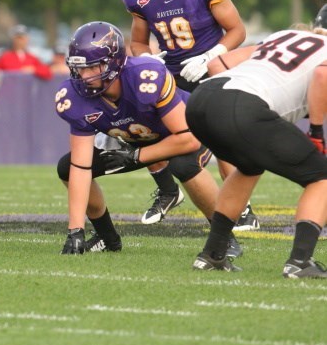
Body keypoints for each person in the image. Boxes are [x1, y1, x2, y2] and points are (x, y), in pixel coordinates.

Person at [53, 21, 241, 258]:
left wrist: (136, 156)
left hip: (190, 128)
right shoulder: (73, 96)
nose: (85, 76)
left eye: (93, 67)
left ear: (113, 62)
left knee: (183, 165)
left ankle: (223, 238)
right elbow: (81, 165)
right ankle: (107, 237)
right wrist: (75, 230)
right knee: (67, 168)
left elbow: (187, 139)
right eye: (80, 68)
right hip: (137, 141)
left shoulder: (144, 77)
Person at [121, 0, 258, 231]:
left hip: (212, 68)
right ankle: (168, 191)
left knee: (220, 136)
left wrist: (210, 56)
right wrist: (146, 59)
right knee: (141, 124)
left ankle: (243, 208)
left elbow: (237, 31)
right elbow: (139, 42)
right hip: (171, 72)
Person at [187, 9, 327, 277]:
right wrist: (317, 131)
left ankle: (212, 254)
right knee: (322, 177)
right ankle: (300, 262)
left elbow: (219, 64)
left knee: (249, 166)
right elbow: (322, 76)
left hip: (203, 99)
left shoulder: (286, 35)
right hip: (243, 105)